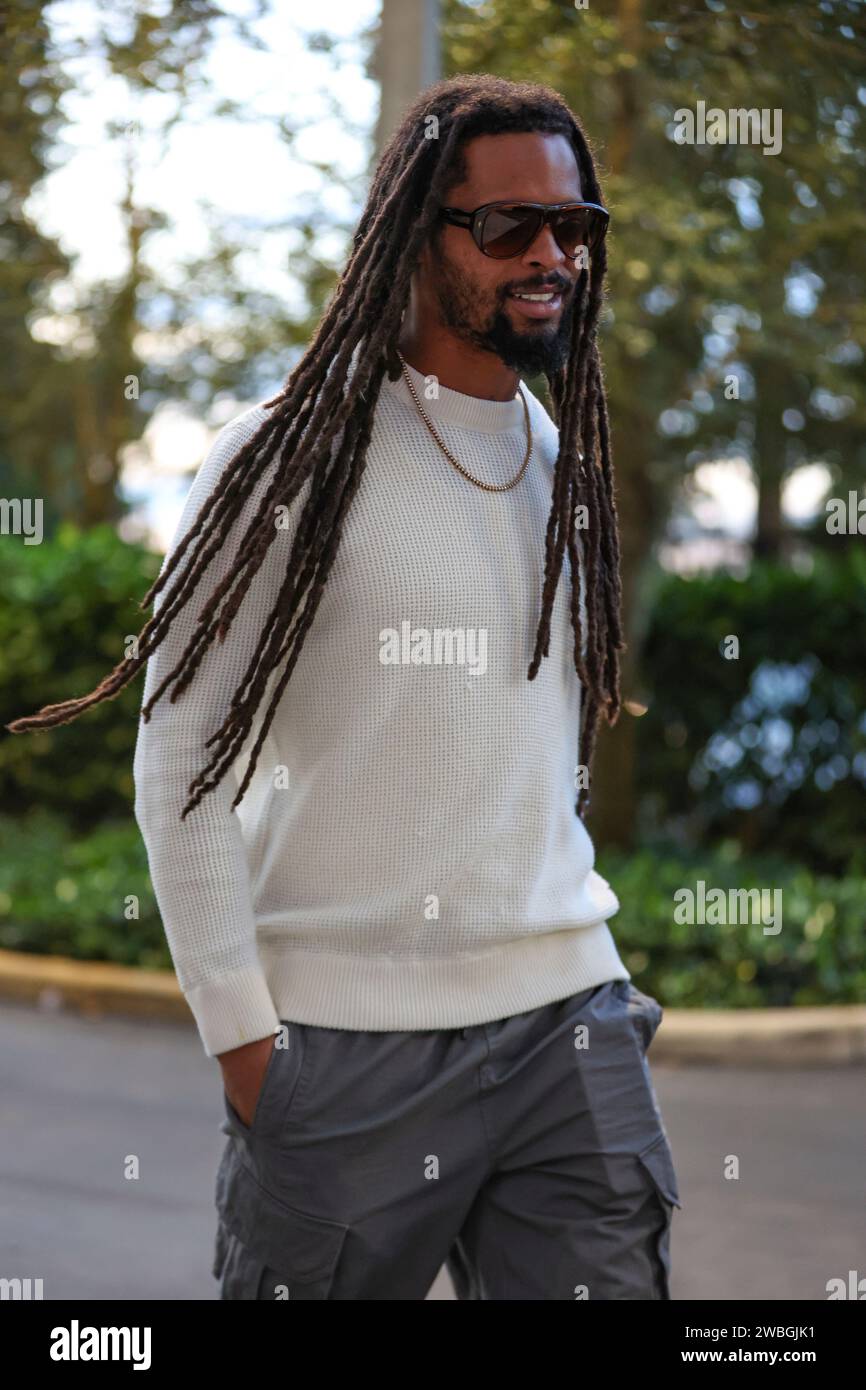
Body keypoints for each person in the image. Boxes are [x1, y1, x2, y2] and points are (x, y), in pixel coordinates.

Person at [6, 73, 681, 1300]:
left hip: (566, 1021)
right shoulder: (284, 456)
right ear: (415, 235)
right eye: (507, 227)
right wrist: (248, 1045)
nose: (550, 255)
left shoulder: (560, 455)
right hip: (343, 1049)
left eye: (573, 227)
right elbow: (179, 760)